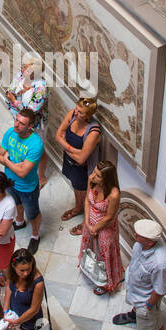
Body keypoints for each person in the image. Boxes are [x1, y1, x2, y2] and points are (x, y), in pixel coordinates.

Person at [111, 219, 166, 330]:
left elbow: (160, 289)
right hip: (136, 290)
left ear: (150, 243)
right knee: (137, 307)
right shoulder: (140, 244)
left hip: (146, 300)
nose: (135, 234)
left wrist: (149, 306)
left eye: (139, 235)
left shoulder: (161, 264)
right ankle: (133, 315)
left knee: (155, 325)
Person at [0, 108, 44, 255]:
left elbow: (23, 173)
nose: (16, 125)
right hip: (10, 182)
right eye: (16, 120)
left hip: (27, 187)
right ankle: (19, 222)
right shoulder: (11, 132)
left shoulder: (35, 144)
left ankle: (35, 236)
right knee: (16, 204)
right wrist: (14, 164)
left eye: (21, 123)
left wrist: (8, 160)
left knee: (33, 214)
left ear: (30, 126)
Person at [78, 160, 123, 296]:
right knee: (89, 247)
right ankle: (88, 268)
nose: (93, 176)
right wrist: (87, 222)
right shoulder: (92, 181)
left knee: (103, 253)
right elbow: (87, 200)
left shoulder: (114, 194)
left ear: (106, 179)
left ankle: (106, 282)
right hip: (90, 223)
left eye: (98, 175)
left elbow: (109, 216)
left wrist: (96, 228)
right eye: (94, 172)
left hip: (104, 227)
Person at [57, 98, 102, 232]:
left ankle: (86, 223)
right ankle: (77, 207)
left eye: (81, 112)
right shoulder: (71, 115)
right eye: (77, 109)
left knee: (88, 196)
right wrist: (72, 149)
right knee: (75, 186)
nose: (76, 113)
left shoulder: (93, 131)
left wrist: (66, 146)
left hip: (84, 169)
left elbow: (82, 159)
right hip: (70, 162)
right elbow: (58, 135)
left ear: (89, 116)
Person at [6, 55, 49, 186]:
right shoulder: (20, 75)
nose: (24, 70)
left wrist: (14, 100)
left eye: (28, 69)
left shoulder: (41, 87)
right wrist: (20, 93)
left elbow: (32, 110)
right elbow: (9, 91)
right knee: (23, 143)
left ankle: (41, 177)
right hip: (18, 117)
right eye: (24, 67)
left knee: (39, 149)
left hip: (35, 124)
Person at [3, 247, 47, 330]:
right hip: (17, 313)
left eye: (29, 269)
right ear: (13, 266)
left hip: (29, 317)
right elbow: (8, 288)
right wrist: (6, 310)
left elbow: (34, 308)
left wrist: (18, 322)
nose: (26, 273)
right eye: (22, 270)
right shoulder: (11, 275)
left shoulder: (37, 282)